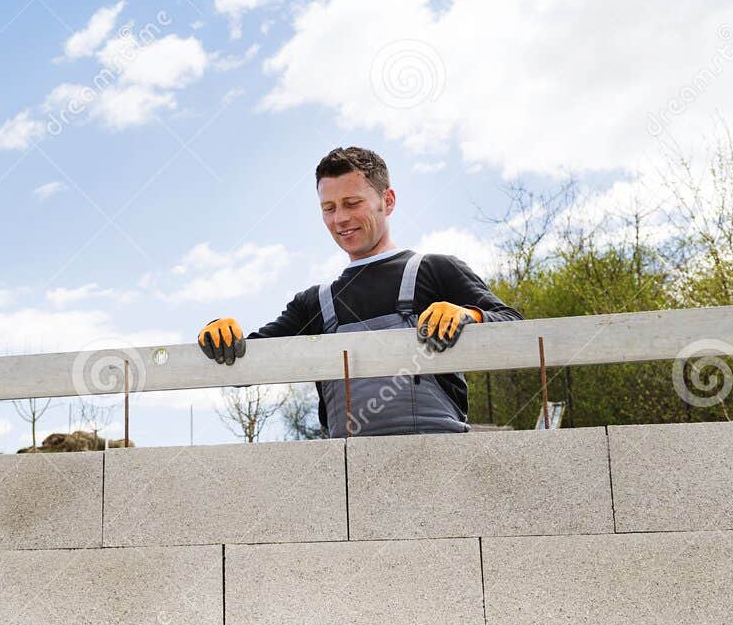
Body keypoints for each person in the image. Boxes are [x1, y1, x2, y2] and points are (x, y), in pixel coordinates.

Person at [196, 146, 522, 437]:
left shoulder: (436, 271)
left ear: (387, 201)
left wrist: (470, 315)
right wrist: (219, 334)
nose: (340, 219)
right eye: (329, 208)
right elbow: (245, 368)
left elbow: (516, 330)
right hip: (349, 470)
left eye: (352, 203)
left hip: (440, 461)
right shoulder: (314, 304)